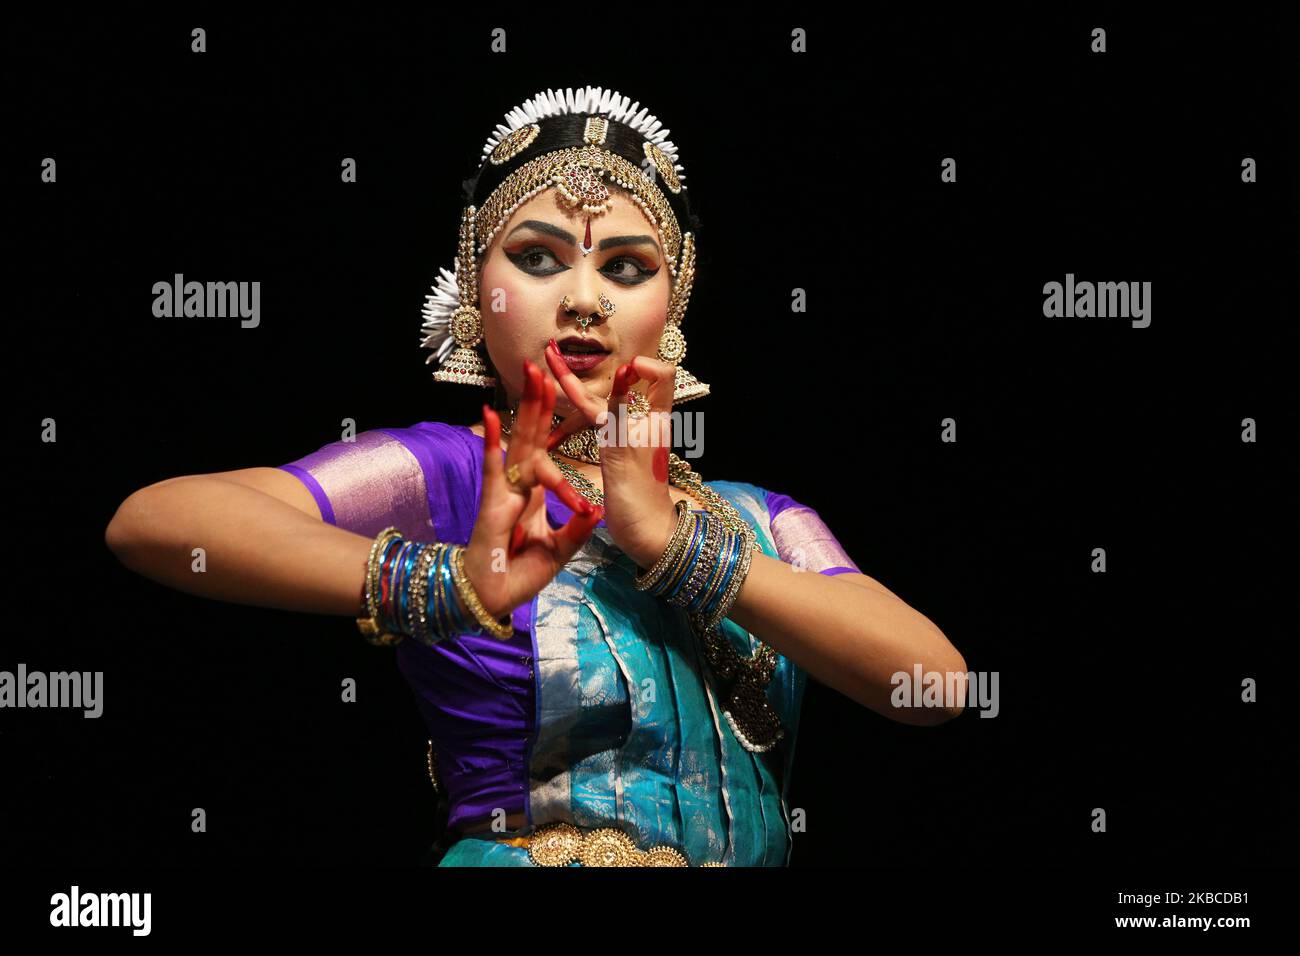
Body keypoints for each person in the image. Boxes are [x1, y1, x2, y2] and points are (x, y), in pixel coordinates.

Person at [105, 85, 967, 867]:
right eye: (539, 258)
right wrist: (445, 581)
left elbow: (934, 686)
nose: (584, 298)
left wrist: (666, 540)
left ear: (674, 305)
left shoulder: (758, 518)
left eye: (627, 267)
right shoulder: (458, 474)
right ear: (479, 291)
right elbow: (155, 524)